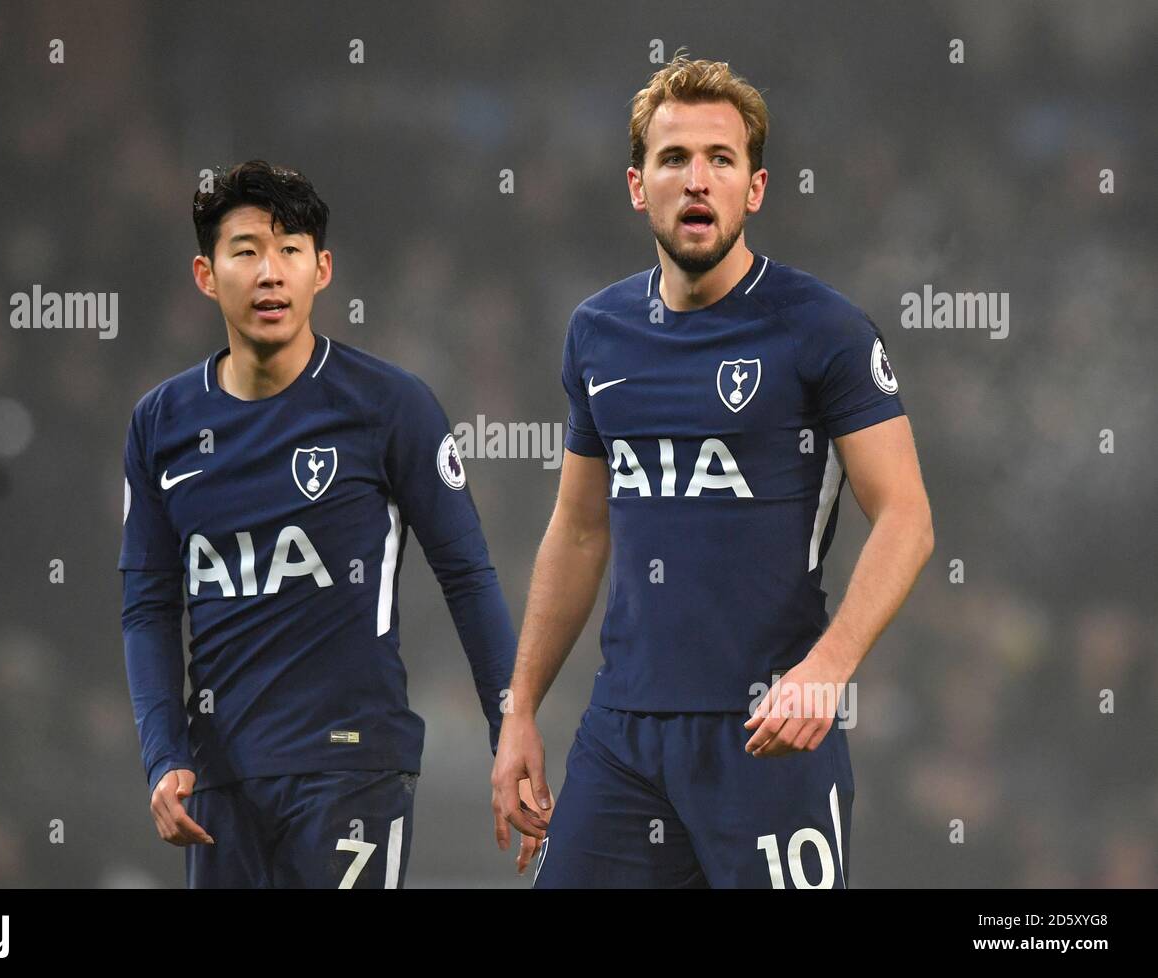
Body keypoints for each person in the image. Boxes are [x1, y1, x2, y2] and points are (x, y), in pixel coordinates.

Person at [491, 56, 934, 888]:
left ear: (755, 189)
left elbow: (907, 517)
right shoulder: (598, 333)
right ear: (636, 185)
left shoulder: (823, 329)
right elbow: (580, 531)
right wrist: (520, 712)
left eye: (721, 160)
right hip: (623, 736)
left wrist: (827, 669)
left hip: (769, 732)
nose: (697, 180)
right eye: (674, 159)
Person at [119, 160, 516, 888]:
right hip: (220, 781)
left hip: (351, 766)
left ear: (321, 269)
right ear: (206, 275)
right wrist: (163, 753)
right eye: (246, 251)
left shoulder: (390, 406)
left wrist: (510, 726)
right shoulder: (160, 426)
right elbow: (147, 607)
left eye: (290, 250)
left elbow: (466, 575)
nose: (270, 272)